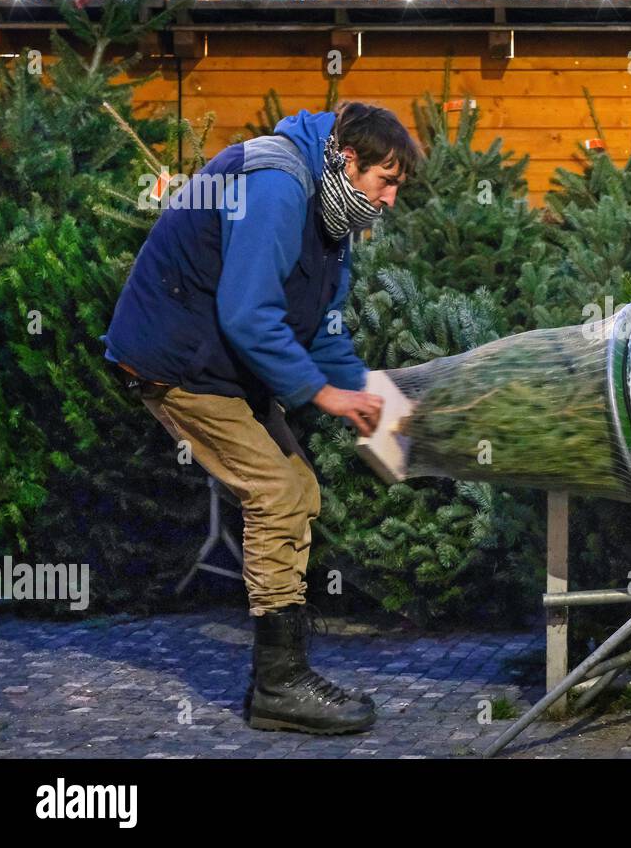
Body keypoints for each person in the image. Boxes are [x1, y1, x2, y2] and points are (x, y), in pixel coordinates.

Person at [103, 102, 420, 735]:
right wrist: (320, 394)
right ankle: (278, 688)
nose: (387, 201)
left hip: (218, 365)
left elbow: (323, 328)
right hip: (178, 363)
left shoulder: (331, 215)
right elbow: (248, 314)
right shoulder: (277, 185)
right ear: (348, 158)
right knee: (277, 491)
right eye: (385, 182)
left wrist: (366, 391)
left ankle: (285, 670)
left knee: (298, 487)